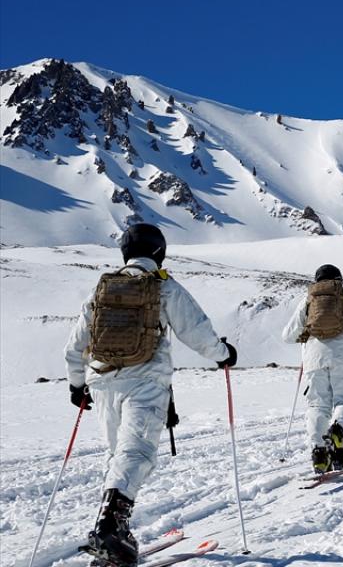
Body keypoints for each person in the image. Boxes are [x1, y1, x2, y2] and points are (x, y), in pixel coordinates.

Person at [64, 223, 236, 567]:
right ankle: (112, 527)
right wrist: (223, 354)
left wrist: (76, 384)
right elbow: (195, 330)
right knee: (137, 451)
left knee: (117, 455)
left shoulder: (103, 288)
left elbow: (75, 344)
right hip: (145, 379)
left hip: (102, 380)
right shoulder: (162, 285)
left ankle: (111, 530)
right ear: (159, 251)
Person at [281, 264, 343, 473]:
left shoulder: (308, 300)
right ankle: (338, 430)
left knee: (317, 406)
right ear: (338, 280)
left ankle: (320, 453)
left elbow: (287, 335)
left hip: (314, 358)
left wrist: (306, 334)